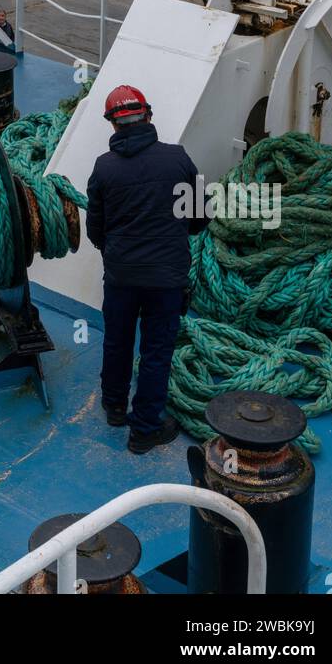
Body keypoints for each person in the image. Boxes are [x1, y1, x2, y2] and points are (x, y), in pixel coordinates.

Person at [85, 85, 208, 454]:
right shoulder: (178, 159)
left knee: (117, 340)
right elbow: (200, 217)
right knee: (156, 351)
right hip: (166, 279)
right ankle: (144, 431)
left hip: (121, 276)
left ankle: (114, 406)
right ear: (148, 116)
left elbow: (95, 230)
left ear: (113, 125)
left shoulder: (103, 168)